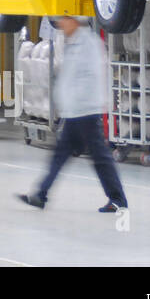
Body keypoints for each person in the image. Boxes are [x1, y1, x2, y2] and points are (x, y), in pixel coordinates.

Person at [18, 15, 127, 212]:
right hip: (74, 112)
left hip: (86, 111)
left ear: (75, 20)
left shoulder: (89, 44)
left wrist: (77, 102)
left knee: (100, 157)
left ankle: (118, 199)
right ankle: (40, 194)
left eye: (64, 20)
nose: (60, 24)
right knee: (60, 155)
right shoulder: (72, 42)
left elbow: (91, 77)